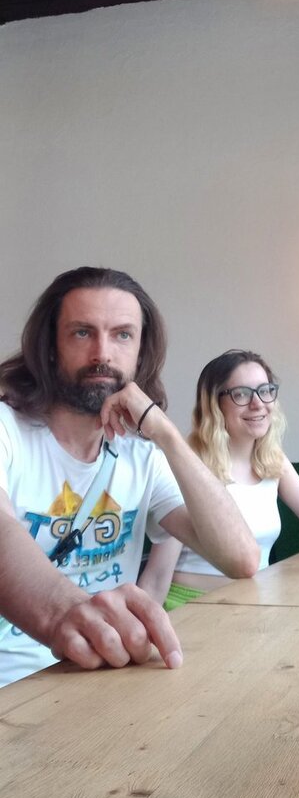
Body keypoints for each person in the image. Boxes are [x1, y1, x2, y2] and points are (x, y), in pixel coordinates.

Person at [0, 268, 259, 687]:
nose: (102, 353)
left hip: (110, 676)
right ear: (50, 348)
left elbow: (240, 558)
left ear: (141, 353)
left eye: (122, 335)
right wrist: (69, 613)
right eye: (82, 333)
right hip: (13, 682)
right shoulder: (7, 429)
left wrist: (166, 434)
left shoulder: (144, 454)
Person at [140, 349, 299, 608]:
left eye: (265, 390)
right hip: (191, 605)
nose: (258, 403)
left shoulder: (273, 461)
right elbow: (157, 576)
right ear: (214, 404)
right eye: (242, 394)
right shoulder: (189, 465)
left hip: (255, 605)